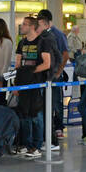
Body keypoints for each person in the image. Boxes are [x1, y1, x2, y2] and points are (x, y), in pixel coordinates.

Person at [11, 15, 56, 159]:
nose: (22, 27)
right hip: (23, 83)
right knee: (24, 115)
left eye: (24, 24)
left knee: (36, 115)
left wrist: (31, 72)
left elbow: (47, 63)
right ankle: (26, 143)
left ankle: (36, 145)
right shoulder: (21, 43)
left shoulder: (42, 42)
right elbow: (18, 63)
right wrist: (16, 82)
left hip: (36, 83)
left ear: (31, 26)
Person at [37, 9, 68, 149]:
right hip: (44, 76)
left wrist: (58, 72)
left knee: (55, 102)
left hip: (54, 76)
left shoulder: (57, 35)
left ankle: (58, 128)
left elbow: (65, 54)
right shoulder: (42, 35)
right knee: (46, 104)